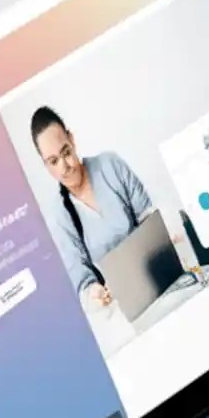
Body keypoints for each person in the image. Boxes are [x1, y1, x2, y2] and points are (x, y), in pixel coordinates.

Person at [31, 106, 155, 309]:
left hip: (155, 270)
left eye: (66, 153)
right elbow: (81, 278)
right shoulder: (60, 217)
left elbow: (150, 219)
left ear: (72, 139)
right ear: (45, 165)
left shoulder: (110, 165)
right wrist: (95, 293)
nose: (65, 166)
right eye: (53, 161)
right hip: (121, 303)